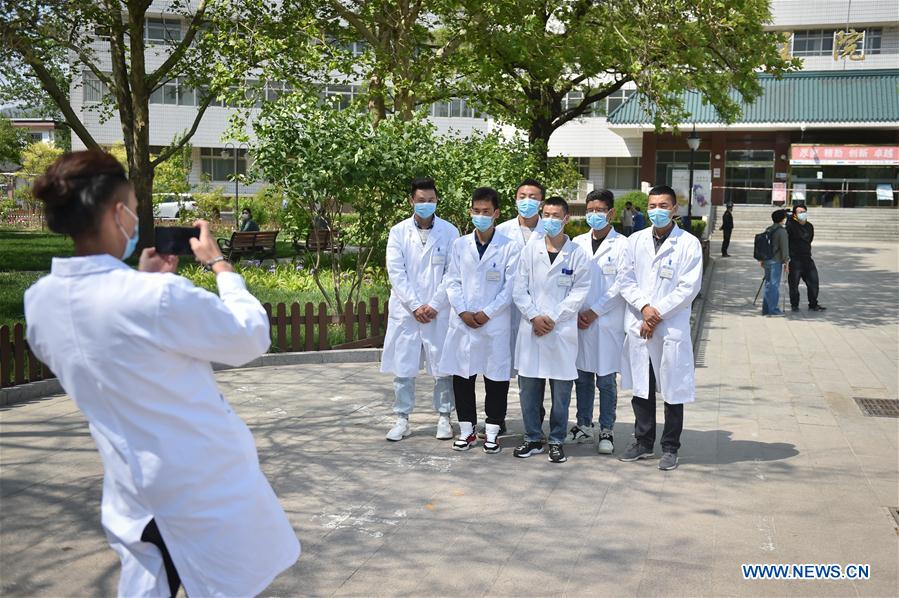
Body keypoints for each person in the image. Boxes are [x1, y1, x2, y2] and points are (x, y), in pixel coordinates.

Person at [23, 151, 300, 597]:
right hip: (197, 479)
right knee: (221, 582)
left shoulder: (41, 301)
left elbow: (109, 344)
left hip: (129, 479)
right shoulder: (156, 298)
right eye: (133, 206)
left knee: (149, 581)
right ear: (119, 212)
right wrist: (220, 266)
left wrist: (140, 279)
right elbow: (249, 337)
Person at [617, 185, 703, 471]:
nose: (657, 210)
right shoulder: (635, 240)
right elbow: (625, 279)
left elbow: (688, 288)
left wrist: (656, 315)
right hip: (640, 321)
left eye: (664, 205)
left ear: (674, 209)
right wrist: (644, 308)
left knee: (671, 388)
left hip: (668, 326)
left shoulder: (688, 243)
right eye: (653, 205)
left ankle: (670, 447)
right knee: (642, 385)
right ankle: (642, 441)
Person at [512, 196, 591, 464]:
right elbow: (518, 289)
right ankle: (533, 437)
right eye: (546, 214)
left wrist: (554, 317)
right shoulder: (529, 251)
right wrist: (535, 316)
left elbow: (580, 291)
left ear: (567, 218)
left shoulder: (578, 254)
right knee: (529, 391)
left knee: (561, 394)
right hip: (532, 330)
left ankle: (556, 439)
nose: (550, 220)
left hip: (560, 331)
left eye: (556, 215)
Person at [440, 187, 518, 453]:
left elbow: (511, 287)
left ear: (496, 213)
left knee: (496, 378)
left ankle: (493, 431)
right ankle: (467, 430)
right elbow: (452, 280)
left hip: (493, 322)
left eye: (487, 212)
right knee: (463, 376)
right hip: (463, 321)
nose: (481, 216)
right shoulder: (459, 244)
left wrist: (487, 312)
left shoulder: (510, 247)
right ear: (470, 211)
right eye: (477, 211)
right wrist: (463, 311)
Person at [382, 177, 460, 441]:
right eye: (421, 200)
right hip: (408, 312)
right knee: (404, 368)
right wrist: (416, 305)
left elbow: (453, 272)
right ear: (411, 201)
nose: (426, 204)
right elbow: (396, 272)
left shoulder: (450, 232)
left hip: (439, 310)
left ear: (437, 200)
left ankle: (444, 417)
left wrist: (435, 304)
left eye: (431, 200)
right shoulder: (398, 232)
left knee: (443, 367)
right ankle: (402, 419)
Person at [569, 190, 626, 454]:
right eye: (590, 210)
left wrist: (595, 312)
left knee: (605, 380)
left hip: (606, 323)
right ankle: (583, 425)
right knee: (581, 377)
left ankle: (606, 429)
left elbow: (621, 286)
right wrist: (577, 312)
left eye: (599, 210)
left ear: (611, 213)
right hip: (579, 321)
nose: (594, 215)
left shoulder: (624, 245)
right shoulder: (576, 243)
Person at [786, 204, 826, 312]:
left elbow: (810, 239)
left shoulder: (810, 226)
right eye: (800, 212)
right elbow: (786, 240)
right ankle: (794, 305)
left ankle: (813, 304)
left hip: (807, 258)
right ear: (795, 214)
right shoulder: (790, 225)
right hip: (795, 260)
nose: (802, 214)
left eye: (804, 211)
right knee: (794, 284)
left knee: (814, 282)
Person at [760, 209, 789, 316]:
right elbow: (784, 248)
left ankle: (766, 309)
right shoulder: (782, 231)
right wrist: (786, 262)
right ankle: (773, 309)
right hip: (776, 261)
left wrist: (762, 259)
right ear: (782, 219)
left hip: (767, 260)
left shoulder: (768, 229)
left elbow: (763, 245)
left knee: (768, 284)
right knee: (774, 285)